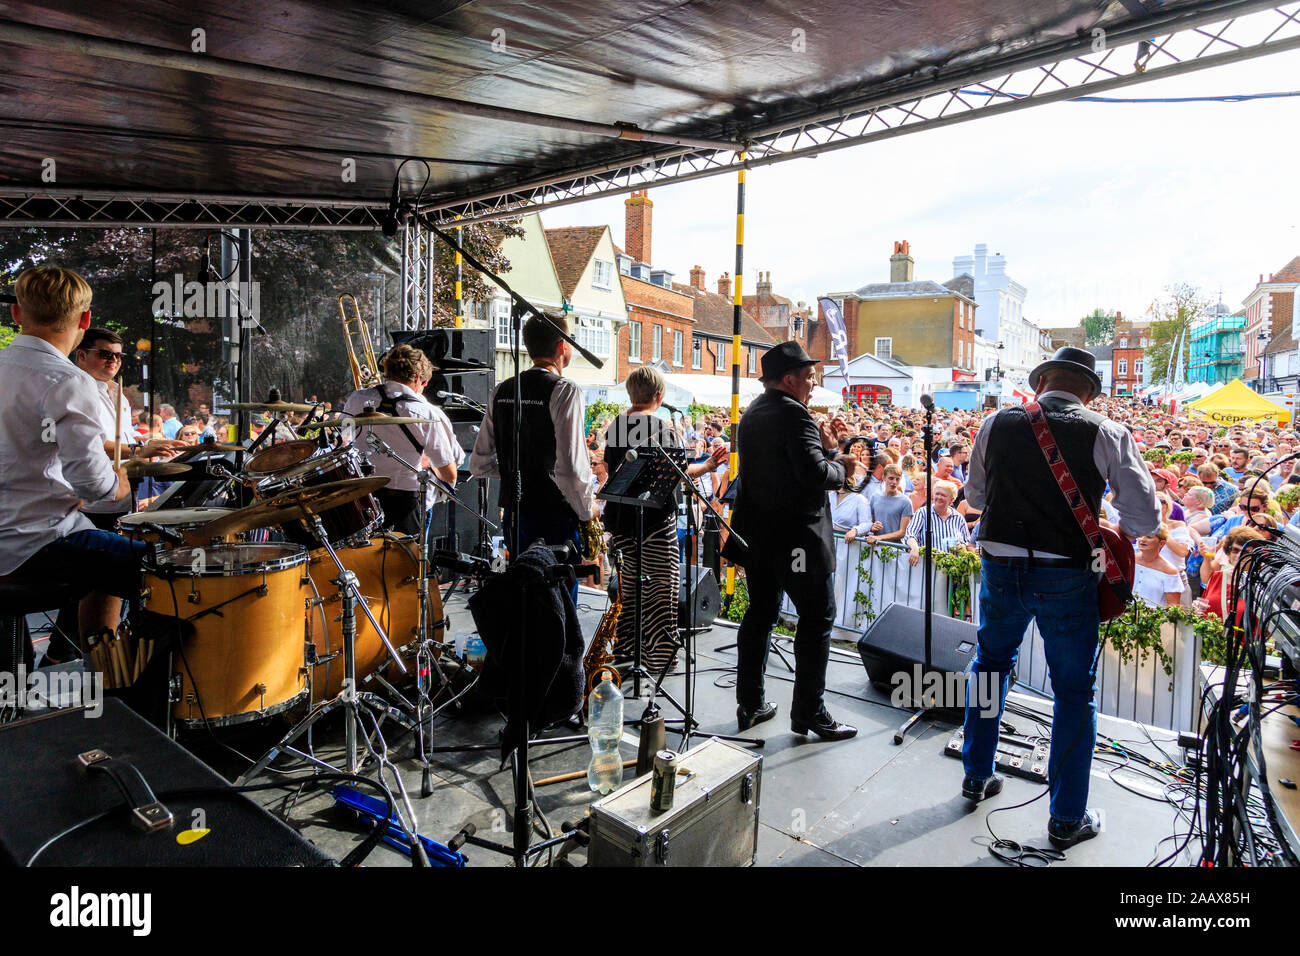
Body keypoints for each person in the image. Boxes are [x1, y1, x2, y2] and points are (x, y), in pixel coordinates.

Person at [961, 346, 1160, 849]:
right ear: (1089, 390)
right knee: (1073, 692)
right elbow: (1145, 520)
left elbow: (978, 498)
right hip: (1067, 574)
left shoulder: (996, 423)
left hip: (1001, 565)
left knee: (989, 666)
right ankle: (1066, 817)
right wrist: (1099, 519)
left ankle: (977, 773)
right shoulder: (1108, 431)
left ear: (1043, 379)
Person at [0, 267, 144, 655]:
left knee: (103, 554)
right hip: (36, 544)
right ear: (85, 320)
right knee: (165, 570)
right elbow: (95, 486)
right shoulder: (67, 380)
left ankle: (71, 667)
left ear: (17, 314)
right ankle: (113, 686)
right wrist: (122, 480)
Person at [727, 342, 859, 740]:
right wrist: (842, 465)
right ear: (789, 379)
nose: (814, 382)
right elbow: (815, 476)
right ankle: (809, 713)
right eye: (808, 375)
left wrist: (827, 448)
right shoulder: (795, 415)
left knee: (761, 613)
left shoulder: (753, 413)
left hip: (756, 535)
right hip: (797, 541)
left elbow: (788, 467)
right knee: (817, 618)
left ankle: (750, 703)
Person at [602, 366, 726, 675]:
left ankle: (626, 653)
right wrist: (709, 464)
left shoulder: (617, 426)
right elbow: (679, 476)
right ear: (660, 396)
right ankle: (657, 659)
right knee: (661, 589)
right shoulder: (663, 428)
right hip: (656, 523)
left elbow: (609, 467)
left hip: (622, 521)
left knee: (628, 590)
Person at [469, 311, 594, 605]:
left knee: (524, 598)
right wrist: (588, 512)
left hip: (515, 512)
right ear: (563, 346)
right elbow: (572, 471)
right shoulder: (565, 389)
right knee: (558, 602)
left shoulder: (502, 390)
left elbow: (479, 464)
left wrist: (519, 469)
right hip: (555, 514)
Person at [344, 344, 460, 536]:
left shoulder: (356, 399)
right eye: (425, 384)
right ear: (417, 378)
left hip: (362, 500)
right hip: (407, 504)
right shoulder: (427, 413)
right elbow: (449, 475)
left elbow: (344, 442)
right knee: (406, 563)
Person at [1195, 525, 1266, 628]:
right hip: (1212, 641)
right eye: (1235, 550)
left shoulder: (1261, 584)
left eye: (1246, 552)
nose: (1239, 556)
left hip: (1241, 643)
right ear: (1228, 551)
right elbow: (1203, 608)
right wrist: (1197, 611)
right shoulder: (1217, 577)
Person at [903, 479, 971, 566]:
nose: (939, 497)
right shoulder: (923, 513)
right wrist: (914, 548)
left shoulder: (958, 518)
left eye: (943, 495)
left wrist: (962, 546)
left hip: (952, 569)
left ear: (952, 500)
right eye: (937, 494)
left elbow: (967, 542)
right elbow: (910, 535)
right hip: (928, 567)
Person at [1133, 527, 1184, 607]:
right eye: (1141, 535)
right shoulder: (1129, 560)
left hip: (1151, 618)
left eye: (1149, 537)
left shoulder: (1170, 571)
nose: (1142, 539)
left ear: (1161, 543)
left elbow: (1173, 608)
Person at [865, 463, 912, 545]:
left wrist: (879, 538)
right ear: (883, 478)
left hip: (895, 549)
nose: (894, 482)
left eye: (897, 479)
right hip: (875, 546)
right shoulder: (875, 497)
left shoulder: (906, 501)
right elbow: (868, 522)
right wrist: (872, 527)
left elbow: (902, 532)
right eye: (891, 478)